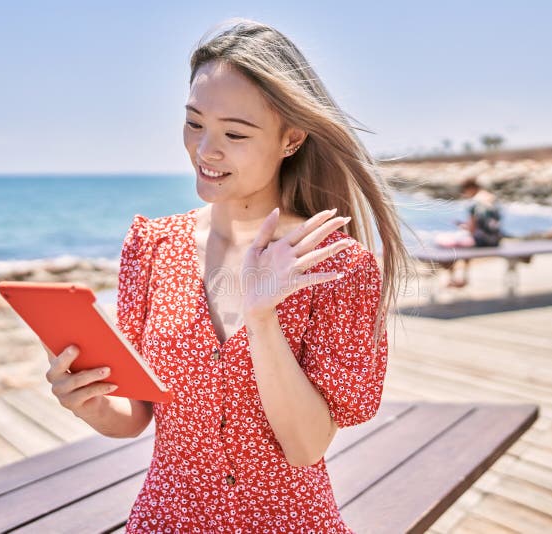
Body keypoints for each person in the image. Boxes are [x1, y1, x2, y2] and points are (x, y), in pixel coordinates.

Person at [41, 19, 415, 533]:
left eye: (235, 133)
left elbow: (306, 447)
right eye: (195, 123)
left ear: (292, 138)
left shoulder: (335, 265)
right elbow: (135, 416)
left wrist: (262, 318)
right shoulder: (153, 247)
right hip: (163, 520)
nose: (205, 150)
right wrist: (86, 401)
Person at [434, 176, 503, 288]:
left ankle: (452, 278)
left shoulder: (474, 202)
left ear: (470, 188)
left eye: (464, 191)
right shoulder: (491, 198)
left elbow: (472, 228)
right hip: (495, 239)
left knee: (451, 245)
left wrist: (463, 226)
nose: (465, 194)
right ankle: (464, 277)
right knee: (465, 243)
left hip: (482, 240)